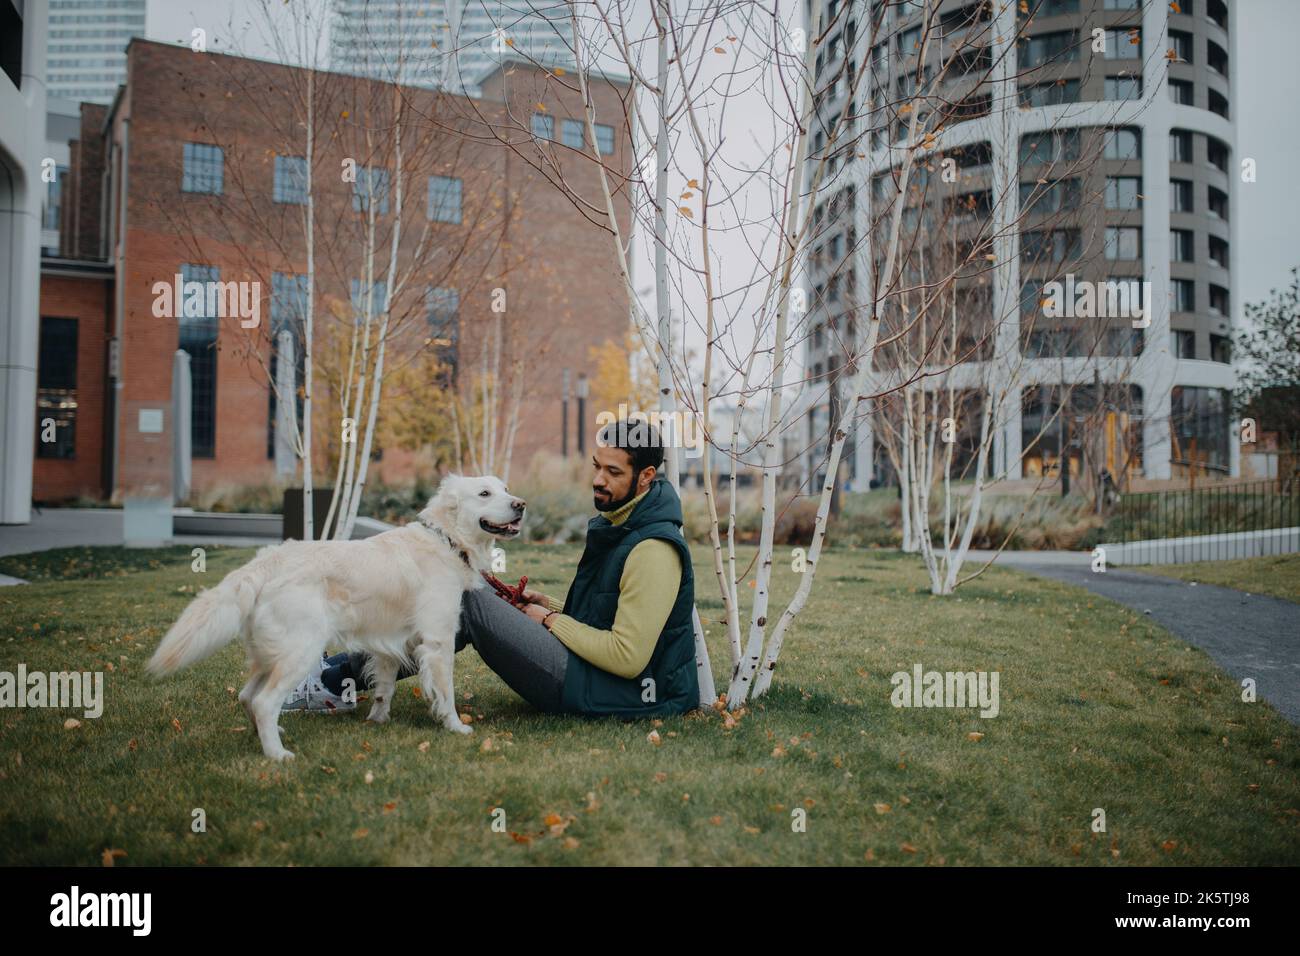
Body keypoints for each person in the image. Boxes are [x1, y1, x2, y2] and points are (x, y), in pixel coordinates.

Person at [282, 419, 700, 718]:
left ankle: (331, 685)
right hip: (592, 676)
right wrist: (544, 604)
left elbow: (627, 657)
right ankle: (335, 674)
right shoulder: (623, 523)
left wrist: (551, 620)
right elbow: (609, 618)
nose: (598, 479)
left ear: (646, 477)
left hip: (614, 693)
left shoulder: (653, 548)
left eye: (613, 472)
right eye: (596, 466)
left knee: (466, 594)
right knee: (465, 593)